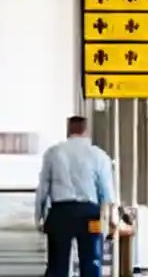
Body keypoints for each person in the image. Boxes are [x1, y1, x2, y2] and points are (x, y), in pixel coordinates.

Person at [35, 115, 116, 277]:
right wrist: (111, 220)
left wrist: (39, 216)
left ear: (68, 130)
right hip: (90, 214)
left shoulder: (53, 153)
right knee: (92, 260)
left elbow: (43, 188)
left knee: (57, 264)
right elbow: (106, 192)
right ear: (86, 131)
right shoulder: (99, 155)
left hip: (60, 212)